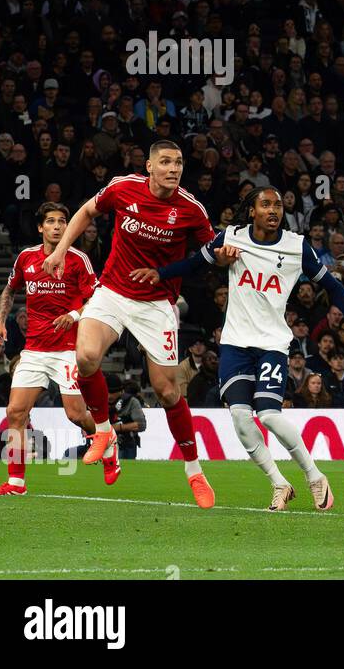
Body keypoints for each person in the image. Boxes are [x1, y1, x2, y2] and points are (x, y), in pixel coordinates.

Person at [134, 186, 344, 511]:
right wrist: (160, 274)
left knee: (269, 415)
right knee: (242, 419)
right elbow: (193, 264)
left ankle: (314, 476)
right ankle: (279, 483)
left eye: (278, 205)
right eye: (266, 204)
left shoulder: (297, 246)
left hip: (272, 344)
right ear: (252, 211)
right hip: (235, 344)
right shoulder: (230, 237)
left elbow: (334, 287)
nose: (273, 210)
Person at [41, 140, 221, 508]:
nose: (174, 169)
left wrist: (225, 253)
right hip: (113, 292)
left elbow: (211, 254)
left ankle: (194, 470)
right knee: (86, 356)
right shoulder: (123, 187)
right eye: (166, 162)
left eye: (179, 163)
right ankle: (104, 433)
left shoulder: (191, 209)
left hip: (157, 304)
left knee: (168, 391)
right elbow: (86, 212)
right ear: (150, 167)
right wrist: (60, 251)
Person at [0, 202, 119, 496]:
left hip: (70, 349)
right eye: (51, 221)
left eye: (62, 221)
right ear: (40, 227)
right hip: (34, 350)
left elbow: (97, 301)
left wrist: (72, 316)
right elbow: (10, 289)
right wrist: (0, 323)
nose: (57, 226)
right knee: (16, 412)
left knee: (75, 414)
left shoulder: (77, 259)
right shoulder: (26, 258)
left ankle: (107, 441)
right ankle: (16, 483)